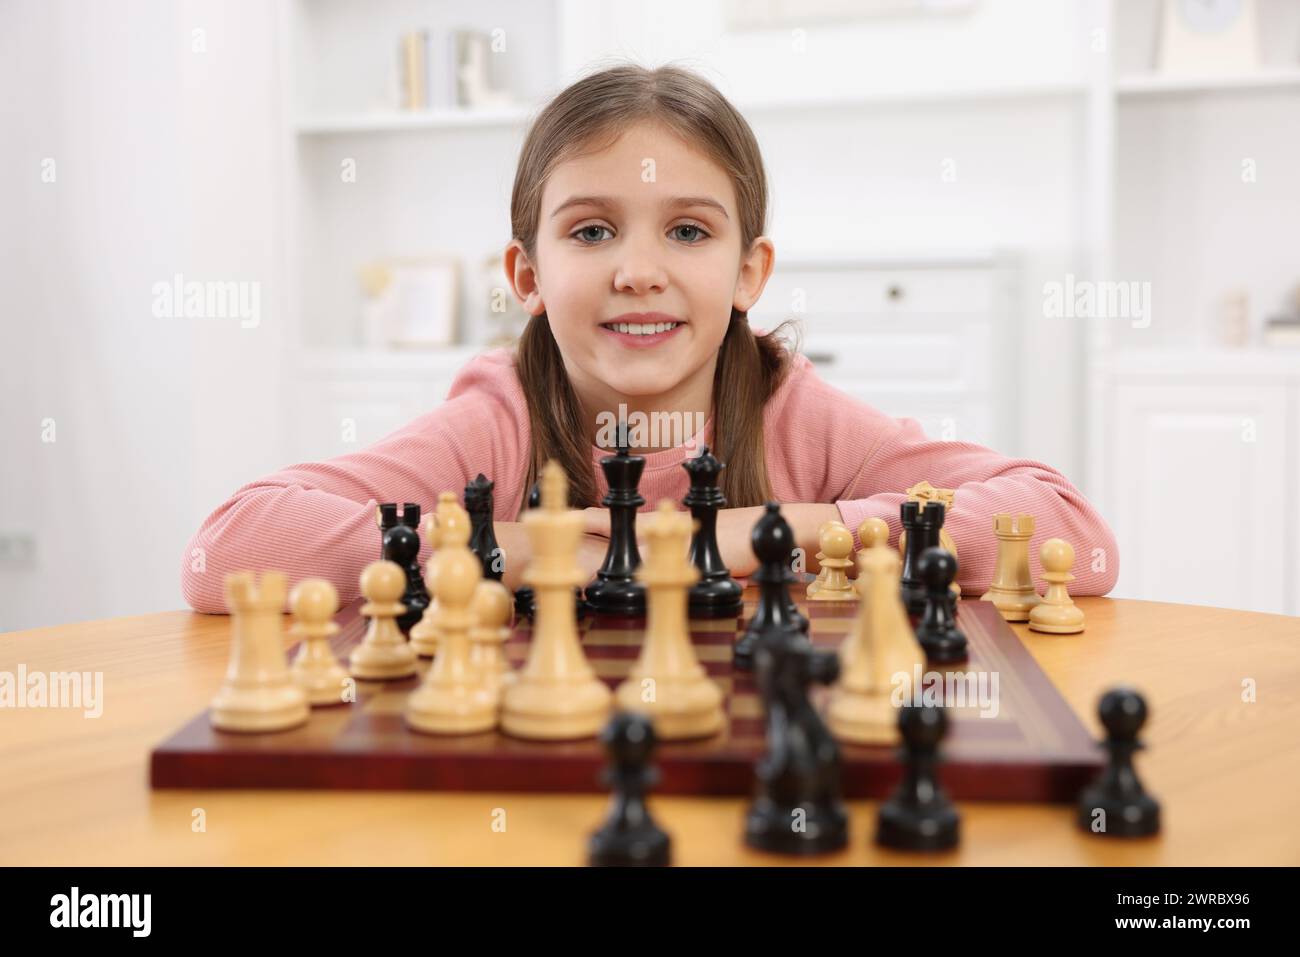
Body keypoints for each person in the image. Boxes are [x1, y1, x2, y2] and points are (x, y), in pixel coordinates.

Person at [181, 64, 1117, 613]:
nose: (638, 269)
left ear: (750, 272)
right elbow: (223, 549)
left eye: (688, 230)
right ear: (527, 277)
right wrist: (514, 550)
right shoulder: (499, 422)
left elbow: (1078, 534)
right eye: (591, 231)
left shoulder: (794, 415)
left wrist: (773, 530)